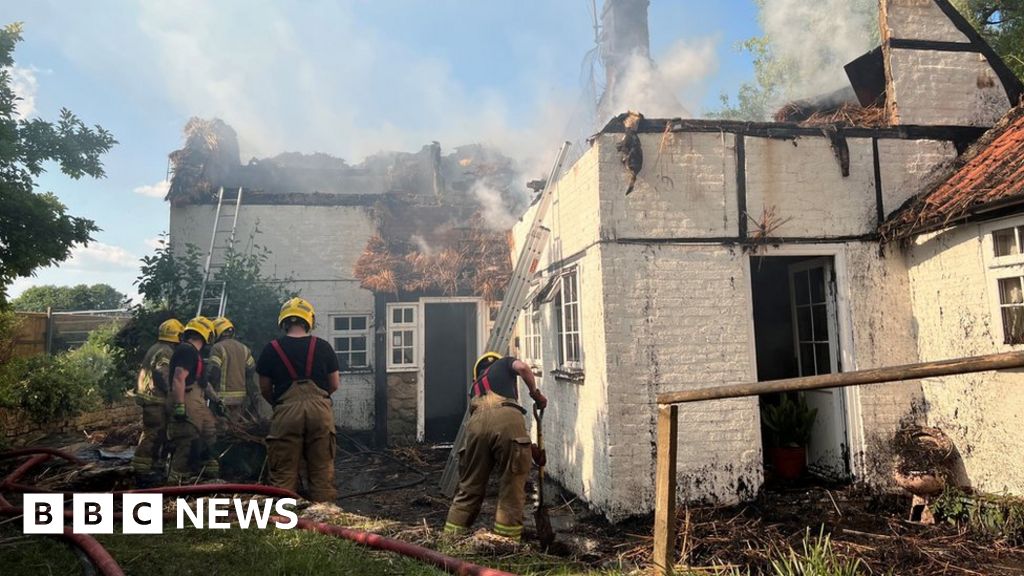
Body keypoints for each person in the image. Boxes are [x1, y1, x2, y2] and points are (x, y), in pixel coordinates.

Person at [444, 352, 548, 542]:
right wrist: (536, 394)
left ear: (478, 374)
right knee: (511, 487)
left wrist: (530, 450)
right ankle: (506, 544)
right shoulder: (505, 363)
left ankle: (450, 541)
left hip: (475, 426)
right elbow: (523, 368)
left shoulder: (474, 388)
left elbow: (490, 426)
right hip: (508, 418)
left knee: (469, 488)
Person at [256, 297, 340, 502]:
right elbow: (335, 384)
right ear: (308, 320)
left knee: (283, 471)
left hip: (286, 410)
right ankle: (324, 520)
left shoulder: (271, 349)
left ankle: (285, 522)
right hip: (320, 410)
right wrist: (318, 400)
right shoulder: (323, 347)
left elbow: (265, 388)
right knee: (321, 469)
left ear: (283, 322)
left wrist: (281, 404)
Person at [167, 316, 221, 483]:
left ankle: (206, 471)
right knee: (187, 436)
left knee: (209, 430)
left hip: (196, 398)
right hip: (186, 397)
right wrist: (179, 405)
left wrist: (217, 401)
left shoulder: (194, 354)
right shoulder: (186, 351)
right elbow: (178, 378)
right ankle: (177, 479)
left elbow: (203, 383)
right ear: (207, 334)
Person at [131, 318, 183, 479]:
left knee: (158, 433)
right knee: (152, 433)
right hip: (155, 399)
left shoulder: (156, 347)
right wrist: (170, 390)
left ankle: (151, 465)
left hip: (150, 398)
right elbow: (162, 373)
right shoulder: (166, 351)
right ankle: (141, 470)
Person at [208, 316, 259, 421]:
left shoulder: (217, 348)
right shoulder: (244, 348)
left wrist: (207, 387)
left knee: (221, 431)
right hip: (240, 399)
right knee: (236, 429)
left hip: (221, 400)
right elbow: (251, 370)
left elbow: (214, 372)